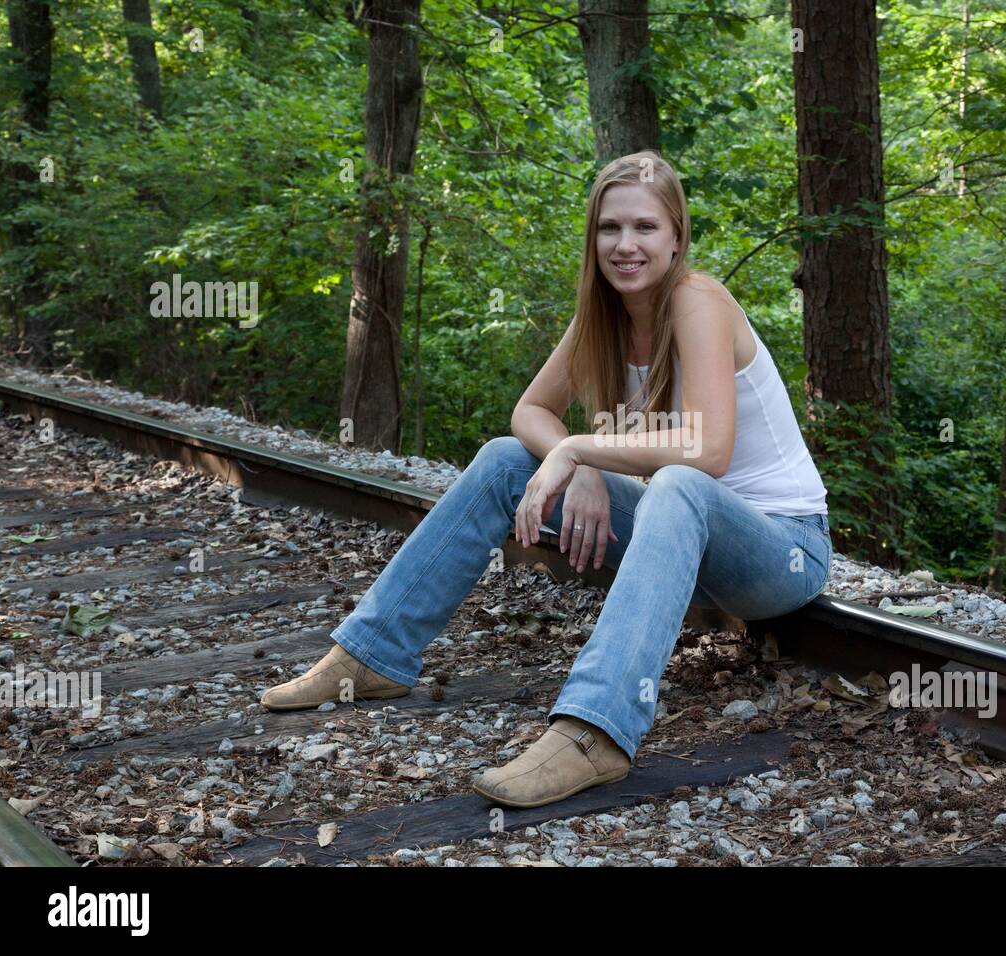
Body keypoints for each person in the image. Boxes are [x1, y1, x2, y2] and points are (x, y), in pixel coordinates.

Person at [259, 149, 833, 809]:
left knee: (677, 483)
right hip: (676, 536)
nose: (625, 245)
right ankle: (371, 656)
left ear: (677, 238)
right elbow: (530, 410)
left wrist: (585, 452)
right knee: (508, 456)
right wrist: (577, 457)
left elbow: (708, 451)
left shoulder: (699, 302)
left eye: (645, 228)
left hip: (780, 550)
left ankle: (595, 732)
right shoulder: (604, 315)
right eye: (609, 228)